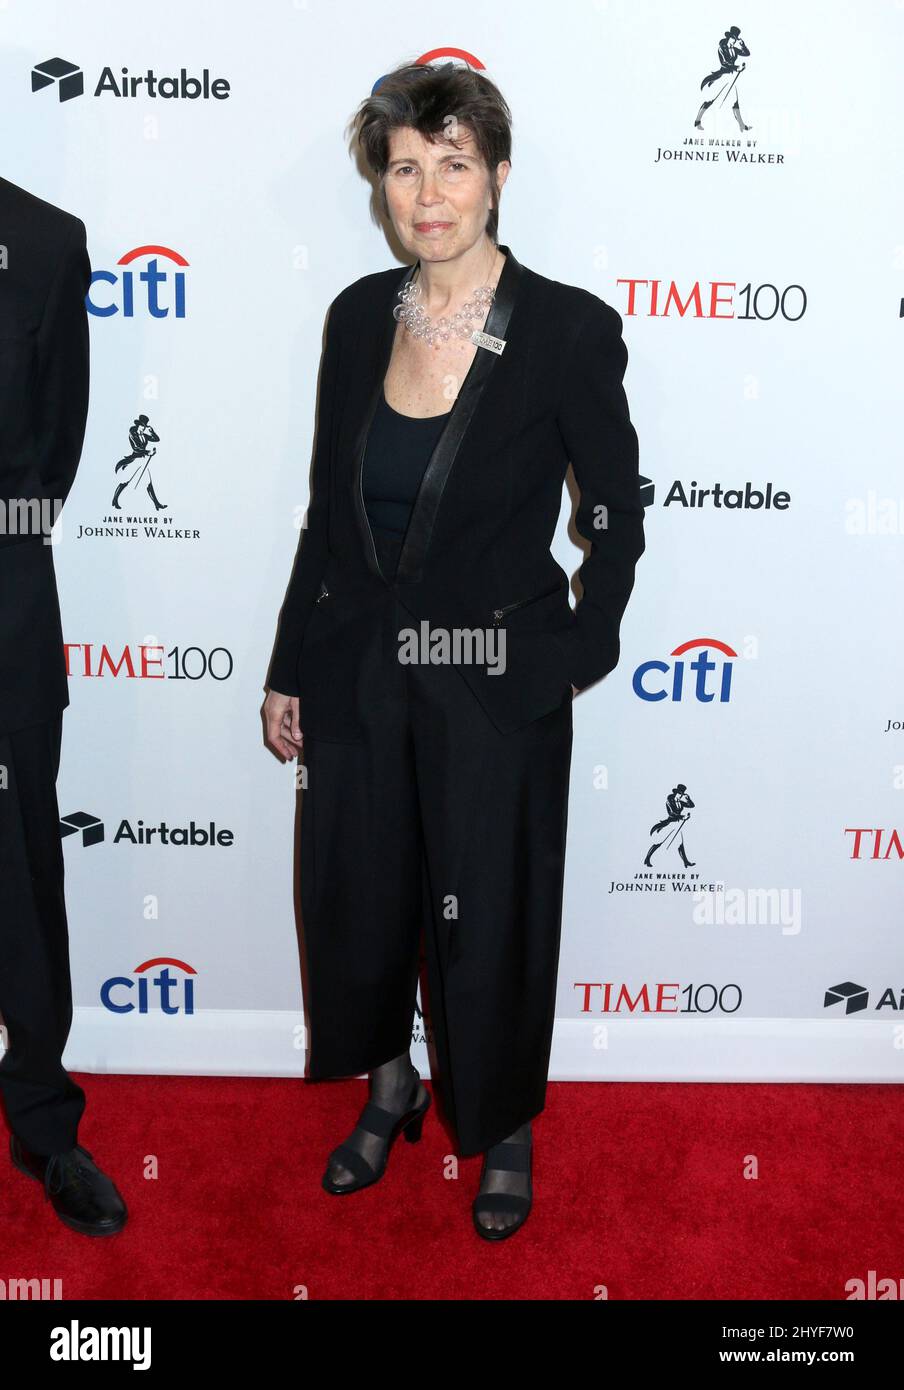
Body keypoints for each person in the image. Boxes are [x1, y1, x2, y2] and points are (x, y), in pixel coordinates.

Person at [263, 61, 645, 1240]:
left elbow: (612, 513)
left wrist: (572, 652)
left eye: (454, 164)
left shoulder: (568, 328)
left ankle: (505, 1121)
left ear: (498, 174)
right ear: (382, 182)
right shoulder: (353, 316)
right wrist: (290, 662)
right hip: (360, 675)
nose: (427, 193)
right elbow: (329, 515)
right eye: (405, 167)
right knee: (364, 898)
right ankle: (392, 1083)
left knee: (492, 913)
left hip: (495, 682)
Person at [0, 174, 127, 1236]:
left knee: (23, 859)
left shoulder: (42, 240)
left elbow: (54, 451)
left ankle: (44, 1119)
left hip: (0, 594)